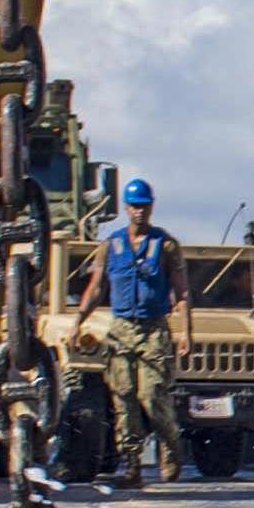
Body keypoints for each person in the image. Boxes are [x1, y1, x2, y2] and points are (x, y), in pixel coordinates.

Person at [70, 175, 182, 488]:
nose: (139, 212)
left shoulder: (167, 245)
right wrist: (78, 320)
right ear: (126, 208)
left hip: (153, 328)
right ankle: (131, 466)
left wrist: (186, 331)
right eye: (134, 206)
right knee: (124, 398)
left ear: (151, 207)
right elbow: (95, 288)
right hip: (121, 329)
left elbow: (181, 292)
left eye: (144, 206)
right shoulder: (111, 246)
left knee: (152, 395)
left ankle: (171, 446)